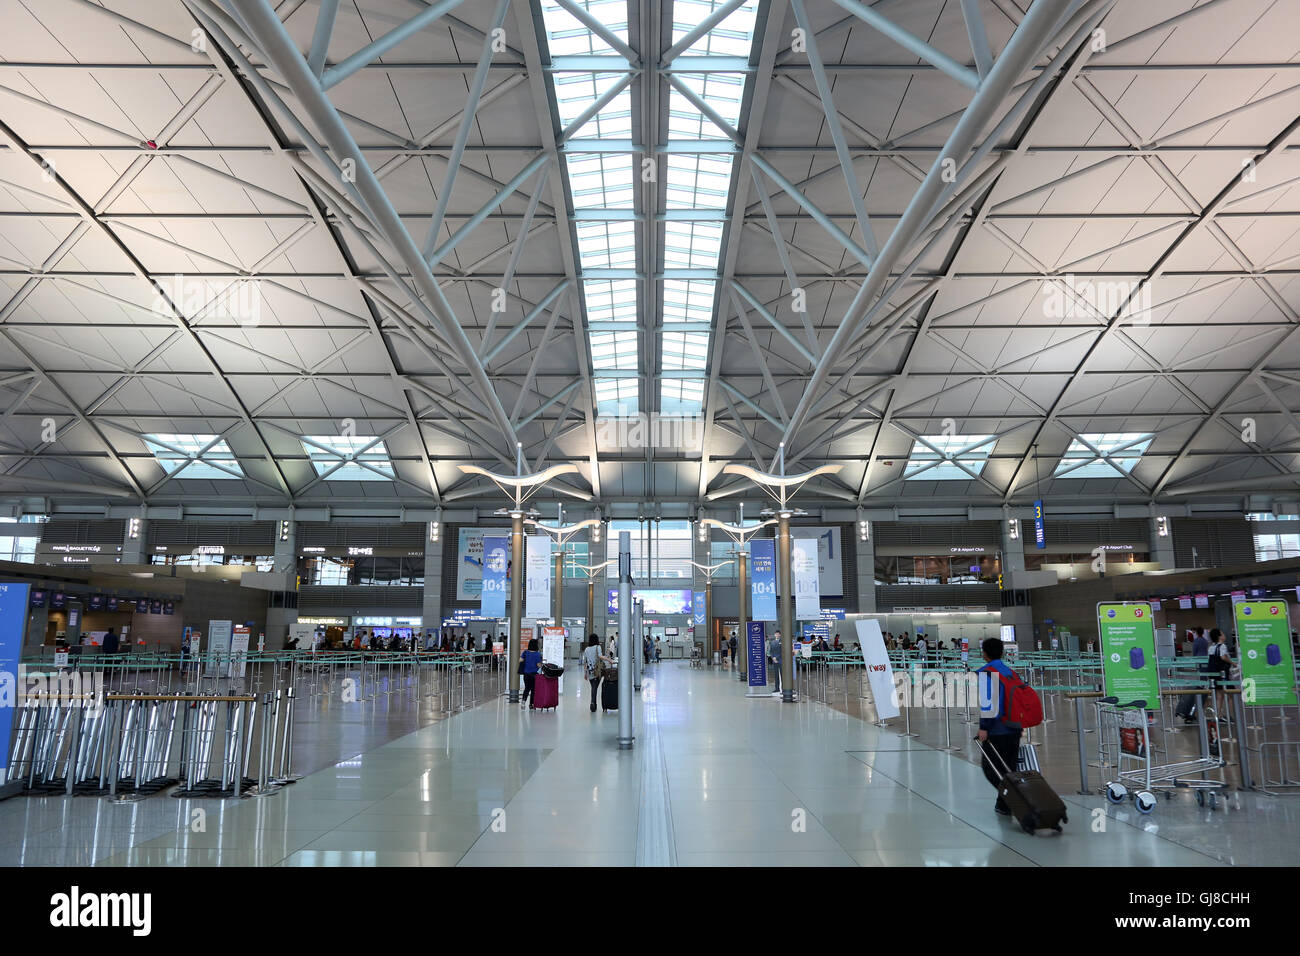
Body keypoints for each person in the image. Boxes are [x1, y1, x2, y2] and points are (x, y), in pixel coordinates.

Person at [976, 637, 1022, 817]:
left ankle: (1016, 800)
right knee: (1009, 769)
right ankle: (1003, 805)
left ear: (984, 653)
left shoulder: (988, 672)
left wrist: (984, 727)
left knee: (990, 768)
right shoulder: (1010, 671)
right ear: (1002, 652)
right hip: (1015, 726)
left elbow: (989, 704)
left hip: (998, 729)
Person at [1207, 628, 1232, 714]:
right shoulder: (1222, 646)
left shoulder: (1211, 647)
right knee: (1230, 695)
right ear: (1219, 637)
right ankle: (1230, 715)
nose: (1224, 635)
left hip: (1214, 674)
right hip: (1222, 674)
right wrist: (1233, 663)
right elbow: (1223, 657)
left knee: (1219, 696)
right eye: (1222, 634)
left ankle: (1218, 714)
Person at [581, 634, 605, 713]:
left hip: (589, 671)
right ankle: (593, 703)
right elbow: (600, 656)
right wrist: (609, 660)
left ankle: (593, 703)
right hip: (597, 671)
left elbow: (585, 662)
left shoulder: (587, 649)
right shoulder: (598, 647)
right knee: (594, 687)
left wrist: (585, 673)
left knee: (593, 687)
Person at [520, 638, 542, 708]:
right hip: (534, 674)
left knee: (527, 688)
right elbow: (538, 665)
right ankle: (531, 704)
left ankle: (523, 702)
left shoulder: (525, 652)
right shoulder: (537, 654)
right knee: (533, 689)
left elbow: (520, 660)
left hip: (526, 674)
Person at [767, 629, 782, 695]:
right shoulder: (772, 642)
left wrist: (776, 657)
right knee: (776, 675)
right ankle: (777, 688)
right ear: (774, 634)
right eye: (776, 634)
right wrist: (773, 658)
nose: (777, 635)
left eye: (778, 634)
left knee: (782, 675)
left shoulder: (783, 641)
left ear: (780, 635)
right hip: (775, 660)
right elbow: (771, 651)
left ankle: (783, 688)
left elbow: (782, 651)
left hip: (781, 660)